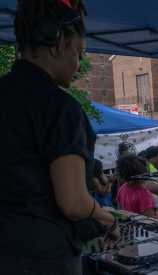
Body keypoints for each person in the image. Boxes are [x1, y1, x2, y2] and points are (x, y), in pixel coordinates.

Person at [1, 1, 119, 273]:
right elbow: (74, 203)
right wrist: (106, 217)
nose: (79, 65)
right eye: (79, 53)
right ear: (58, 42)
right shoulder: (60, 108)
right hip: (42, 258)